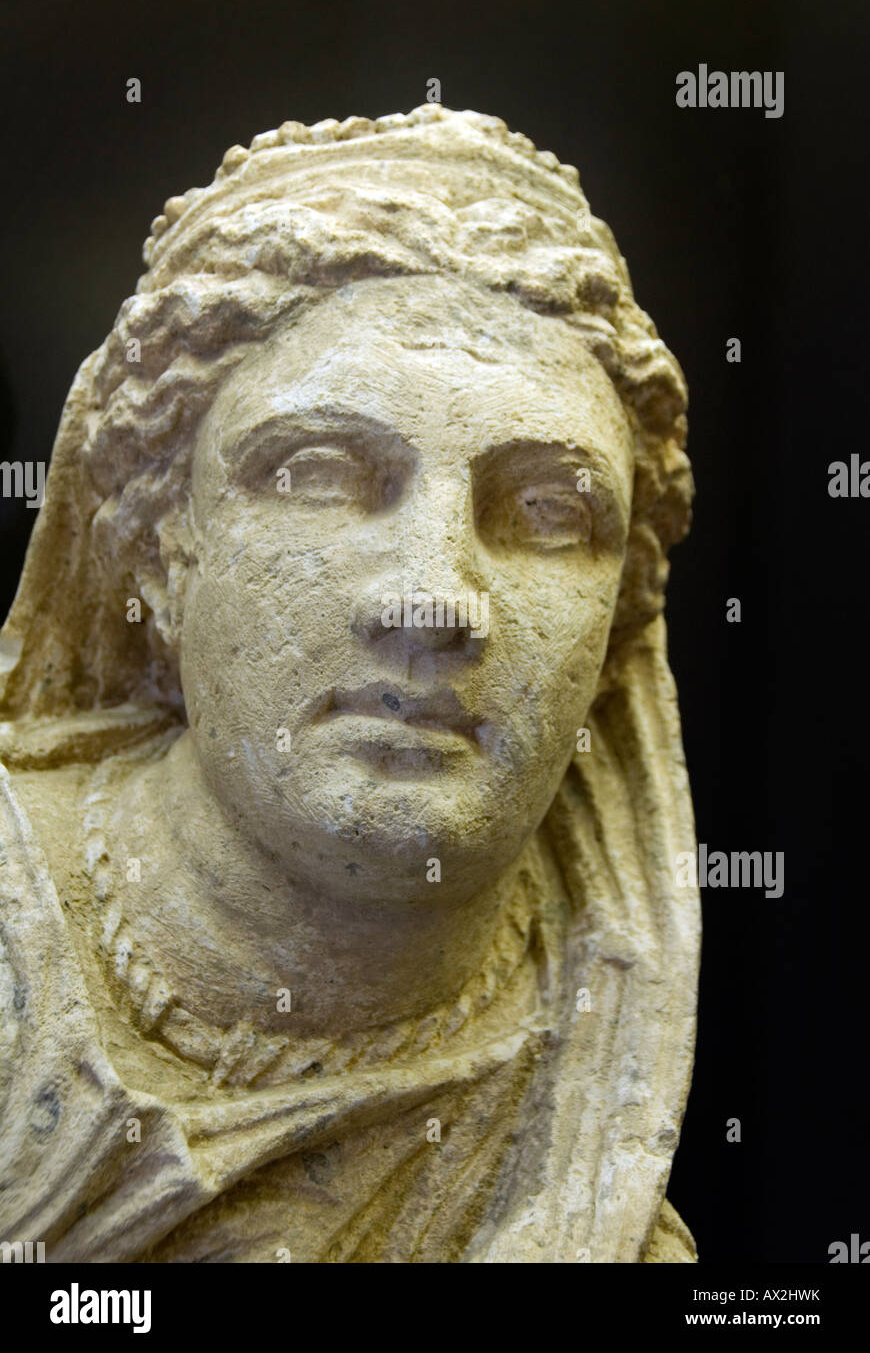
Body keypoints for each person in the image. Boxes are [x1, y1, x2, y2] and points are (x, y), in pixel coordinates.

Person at [0, 105, 698, 1262]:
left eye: (544, 511)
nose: (435, 602)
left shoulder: (601, 1085)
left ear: (619, 615)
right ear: (156, 552)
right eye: (322, 473)